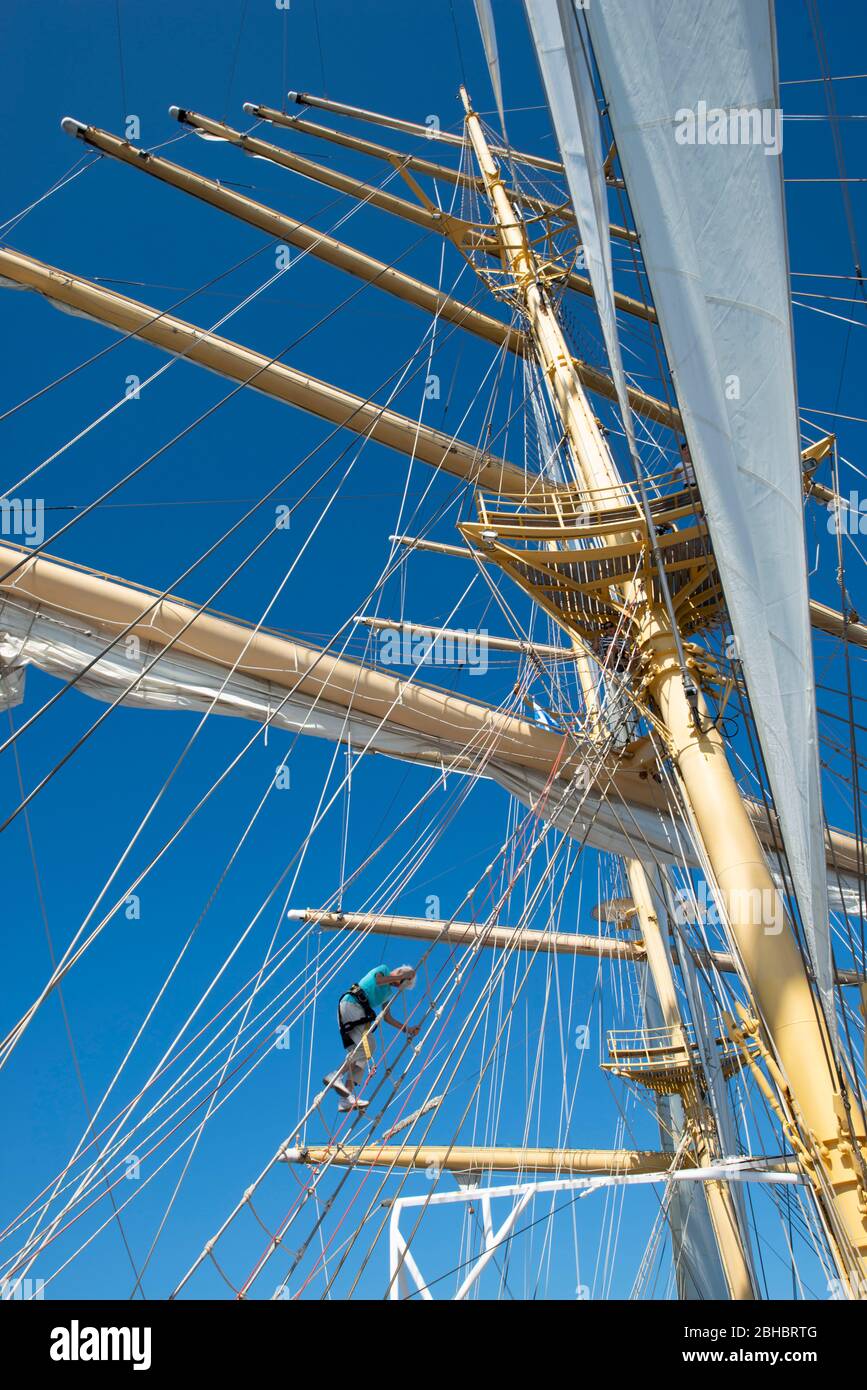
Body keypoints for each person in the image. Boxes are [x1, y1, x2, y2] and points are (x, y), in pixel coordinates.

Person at [327, 964, 419, 1111]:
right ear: (399, 972)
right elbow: (378, 981)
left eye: (399, 986)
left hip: (355, 1013)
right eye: (400, 983)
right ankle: (335, 1075)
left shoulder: (387, 993)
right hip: (351, 1004)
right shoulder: (384, 970)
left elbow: (387, 1017)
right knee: (369, 1045)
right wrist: (404, 976)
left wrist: (407, 1029)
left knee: (363, 1055)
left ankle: (345, 1098)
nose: (396, 985)